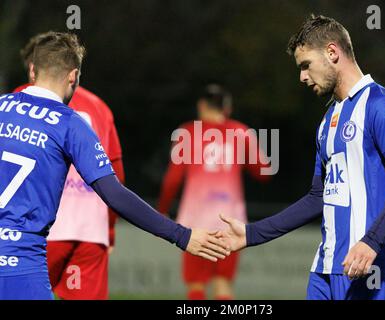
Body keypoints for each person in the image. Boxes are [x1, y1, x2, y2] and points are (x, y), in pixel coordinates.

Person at [0, 32, 228, 300]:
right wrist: (181, 235)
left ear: (32, 69)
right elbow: (115, 193)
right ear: (73, 76)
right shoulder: (70, 124)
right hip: (21, 264)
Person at [218, 15, 385, 300]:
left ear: (332, 52)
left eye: (306, 65)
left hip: (365, 268)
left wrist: (372, 242)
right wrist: (252, 234)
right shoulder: (328, 120)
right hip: (324, 269)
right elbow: (318, 197)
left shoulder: (380, 104)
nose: (302, 76)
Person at [13, 31, 125, 300]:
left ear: (33, 70)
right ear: (72, 73)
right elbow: (115, 174)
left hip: (40, 230)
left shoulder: (19, 101)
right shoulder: (100, 107)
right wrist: (109, 230)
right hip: (91, 229)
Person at [158, 84, 270, 300]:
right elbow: (263, 172)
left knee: (196, 284)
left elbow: (173, 178)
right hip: (230, 220)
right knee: (223, 284)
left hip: (196, 219)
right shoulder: (241, 132)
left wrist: (162, 209)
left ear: (201, 105)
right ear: (227, 107)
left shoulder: (188, 132)